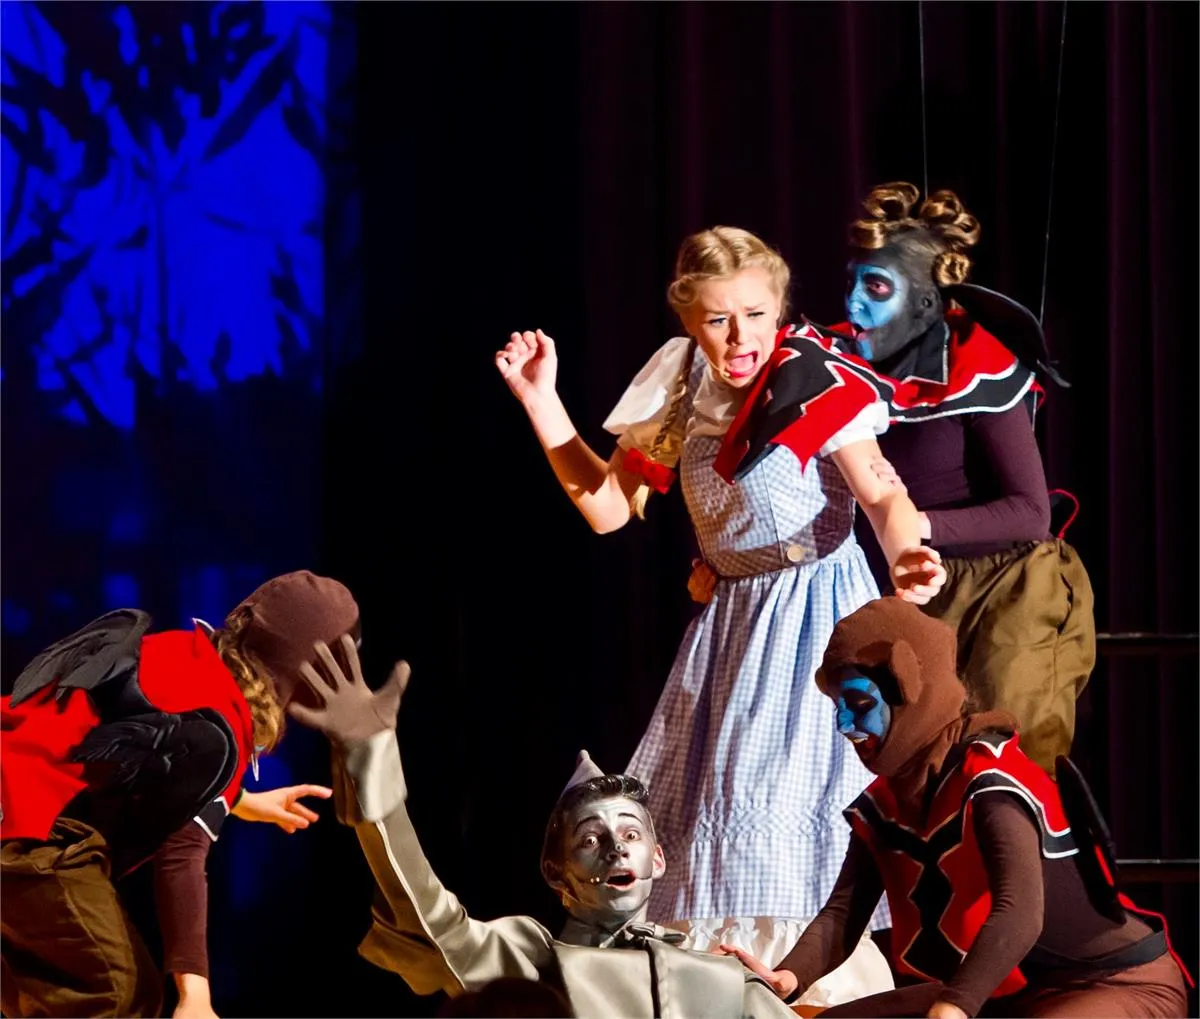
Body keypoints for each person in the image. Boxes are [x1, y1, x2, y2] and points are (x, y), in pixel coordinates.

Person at [494, 225, 945, 1006]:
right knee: (700, 821)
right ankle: (714, 995)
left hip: (813, 624)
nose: (739, 336)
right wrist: (543, 402)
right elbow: (608, 507)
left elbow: (882, 493)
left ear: (780, 310)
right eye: (717, 318)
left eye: (756, 314)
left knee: (774, 815)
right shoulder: (678, 386)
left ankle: (803, 996)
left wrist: (909, 554)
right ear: (688, 320)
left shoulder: (814, 379)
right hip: (730, 630)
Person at [285, 633, 803, 1019]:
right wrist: (369, 758)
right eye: (590, 840)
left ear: (659, 858)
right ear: (555, 872)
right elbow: (425, 913)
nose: (616, 851)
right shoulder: (533, 961)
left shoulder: (719, 972)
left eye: (630, 835)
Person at [723, 597, 1191, 1018]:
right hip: (1002, 995)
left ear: (911, 690)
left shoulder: (991, 781)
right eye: (838, 708)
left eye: (860, 703)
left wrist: (954, 1007)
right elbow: (842, 915)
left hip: (1111, 984)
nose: (845, 725)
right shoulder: (883, 804)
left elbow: (1019, 912)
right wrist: (784, 979)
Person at [0, 570, 359, 1019]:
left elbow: (145, 765)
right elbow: (183, 855)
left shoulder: (185, 655)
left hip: (15, 804)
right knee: (118, 993)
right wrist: (196, 995)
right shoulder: (221, 733)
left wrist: (238, 800)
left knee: (35, 986)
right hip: (31, 834)